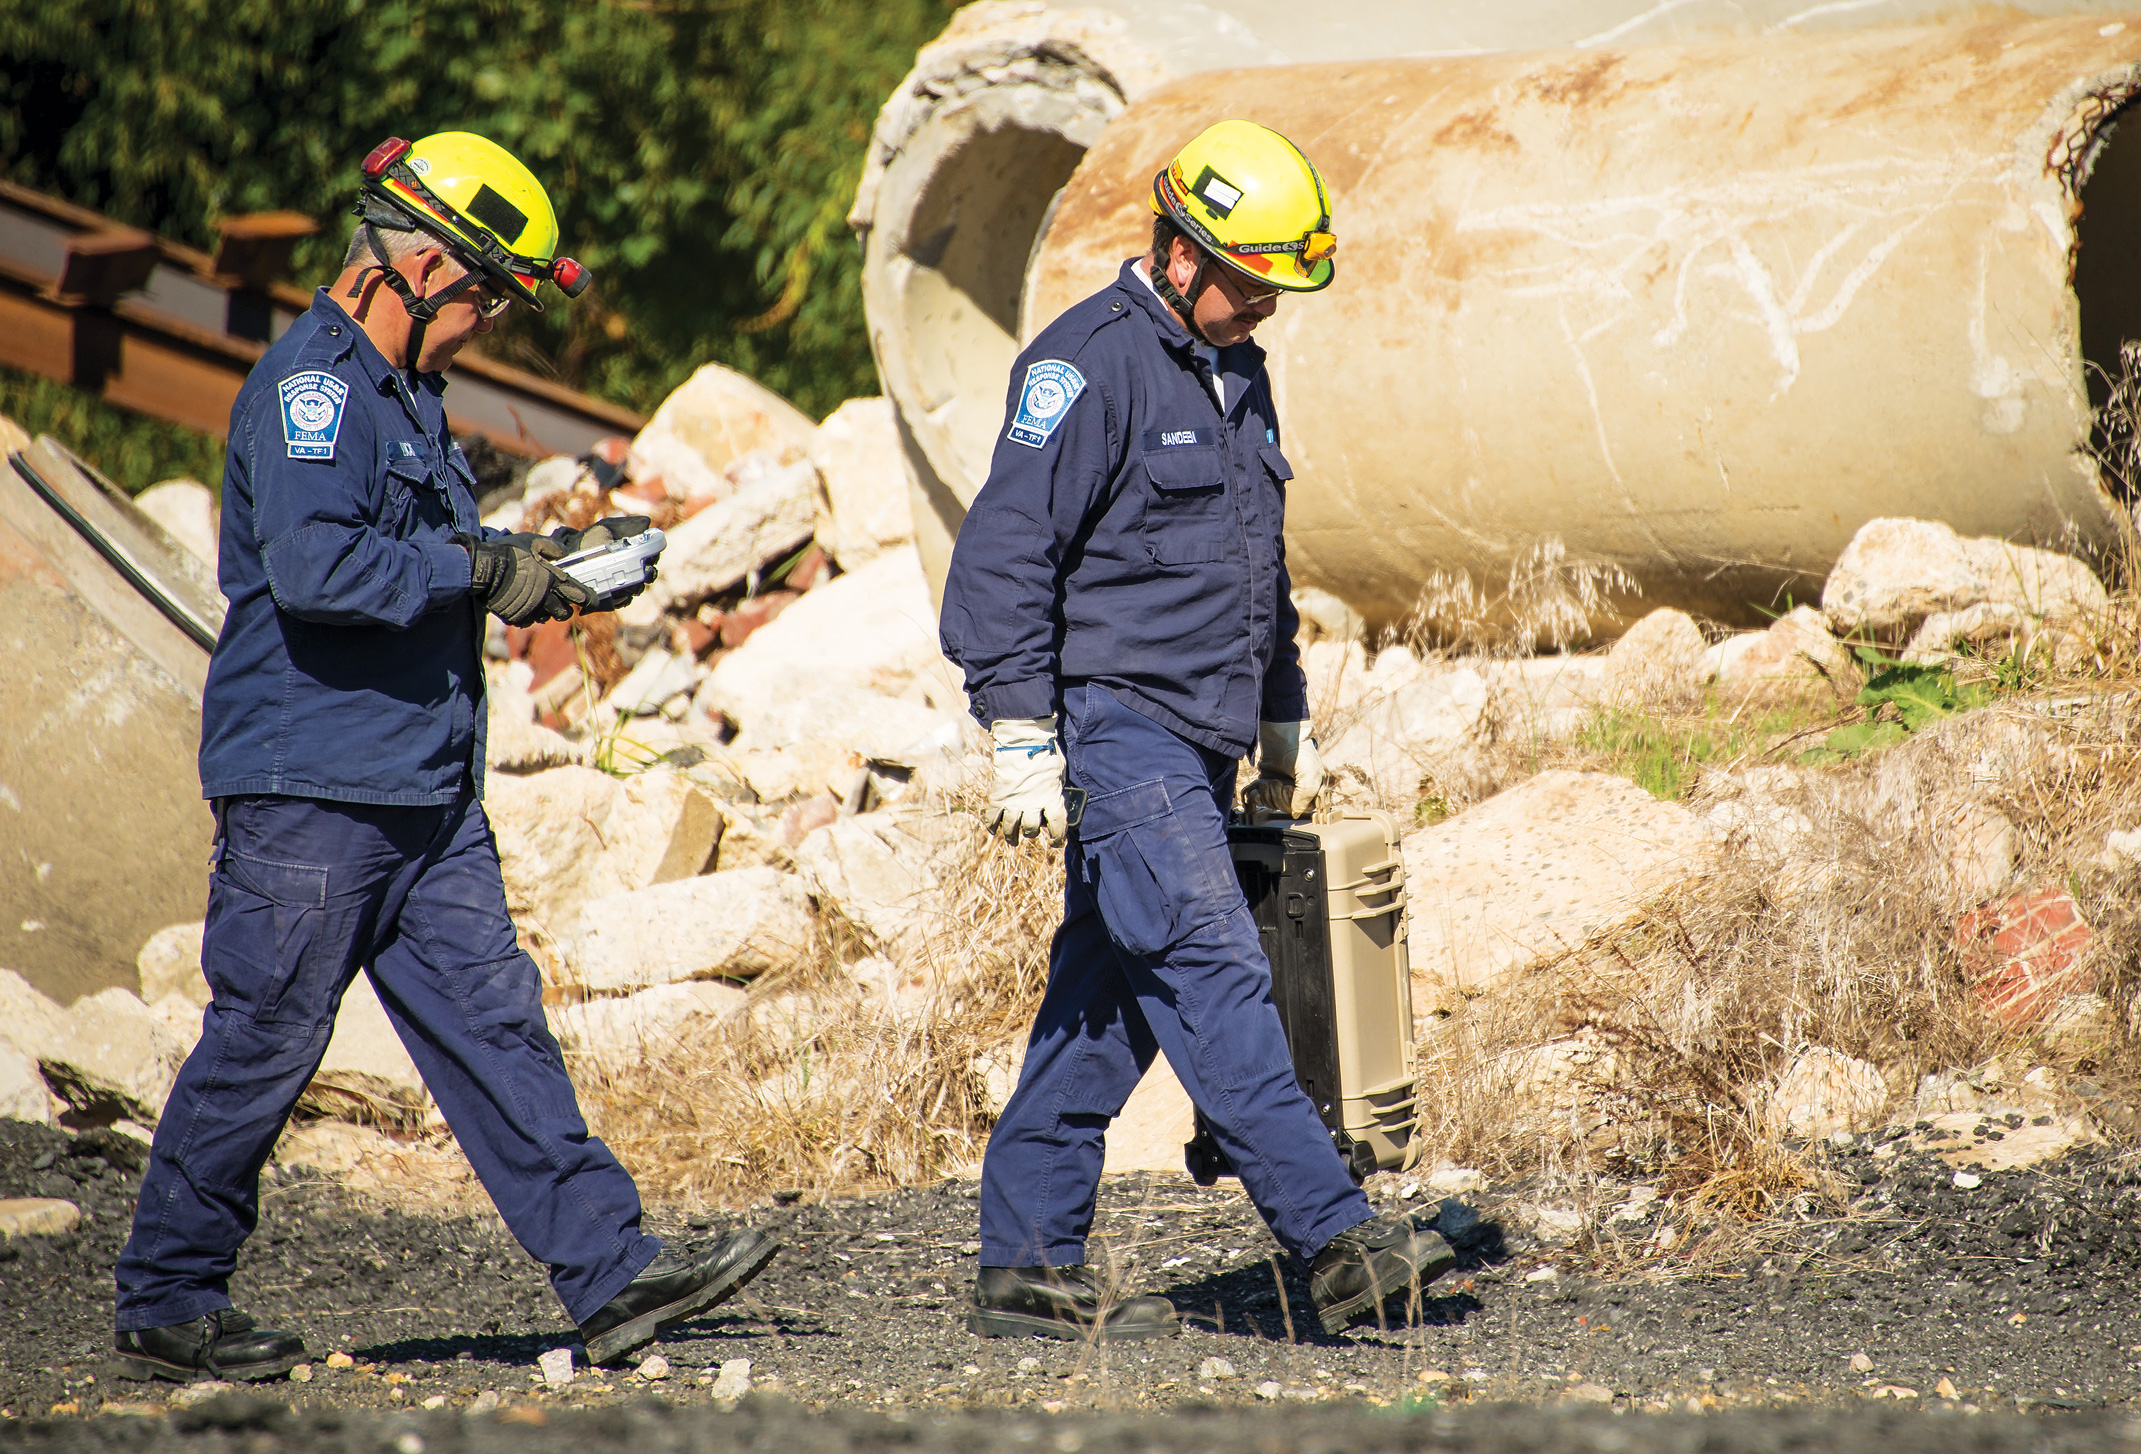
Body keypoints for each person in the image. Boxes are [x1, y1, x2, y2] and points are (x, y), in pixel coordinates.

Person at [113, 132, 775, 1384]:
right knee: (264, 1038)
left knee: (497, 1028)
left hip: (420, 786)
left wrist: (538, 565)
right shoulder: (312, 390)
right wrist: (481, 565)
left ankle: (611, 1272)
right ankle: (167, 1294)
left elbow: (411, 564)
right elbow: (317, 573)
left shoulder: (406, 394)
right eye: (482, 296)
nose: (483, 325)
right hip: (313, 790)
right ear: (417, 266)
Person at [940, 120, 1457, 1343]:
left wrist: (1282, 708)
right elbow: (1003, 553)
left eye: (1276, 288)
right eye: (1247, 280)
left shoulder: (1236, 368)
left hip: (1202, 736)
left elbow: (1252, 562)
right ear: (1176, 249)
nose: (1262, 306)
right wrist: (1018, 727)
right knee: (1210, 968)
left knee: (1107, 1000)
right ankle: (1332, 1237)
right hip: (1118, 729)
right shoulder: (1087, 364)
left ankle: (1023, 1262)